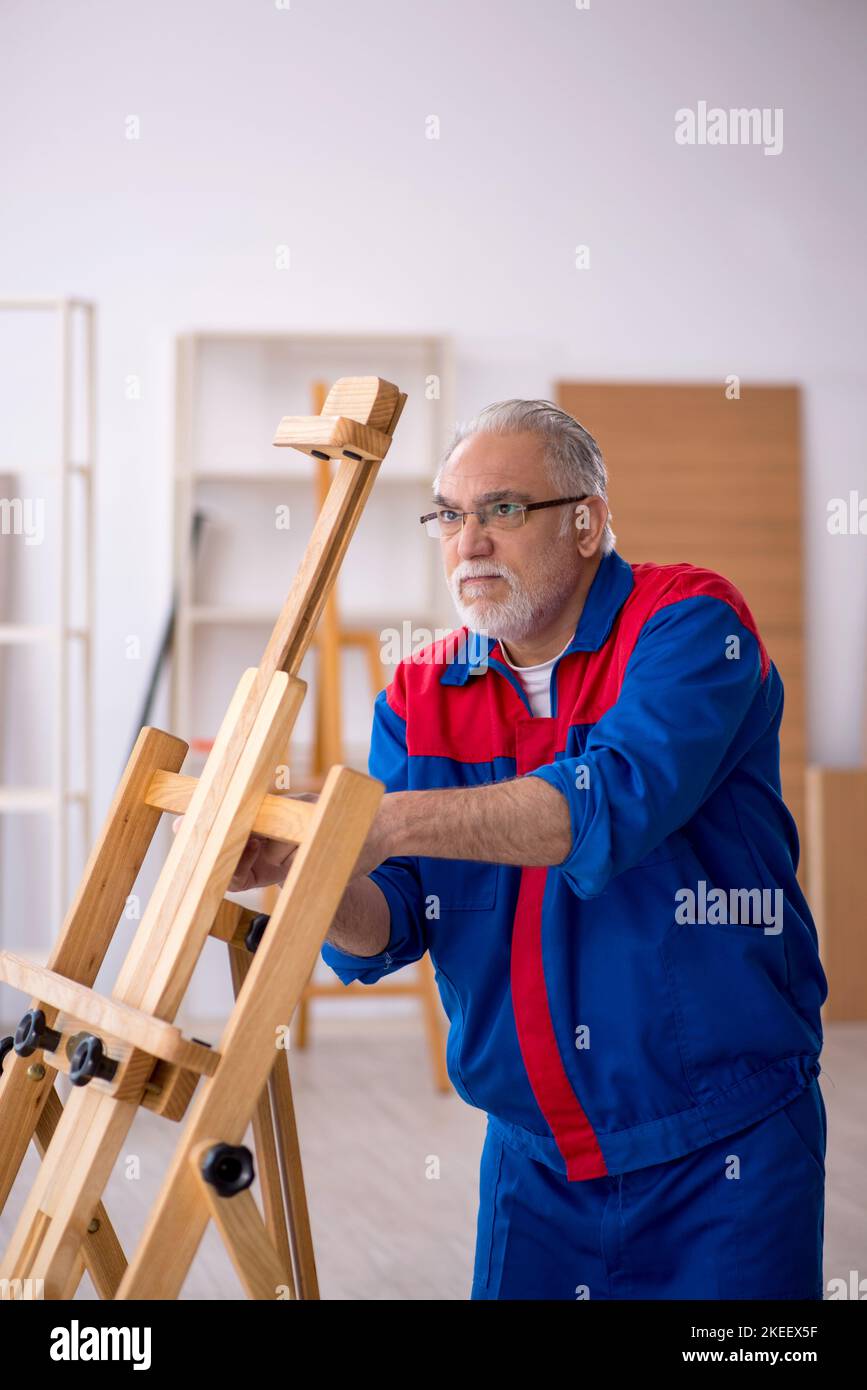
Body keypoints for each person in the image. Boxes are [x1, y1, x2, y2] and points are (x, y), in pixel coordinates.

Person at [228, 400, 828, 1301]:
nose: (467, 542)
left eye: (501, 510)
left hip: (723, 1151)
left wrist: (375, 818)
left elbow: (601, 805)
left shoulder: (692, 626)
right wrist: (307, 869)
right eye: (447, 515)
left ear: (585, 522)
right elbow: (389, 918)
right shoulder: (423, 690)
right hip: (532, 1162)